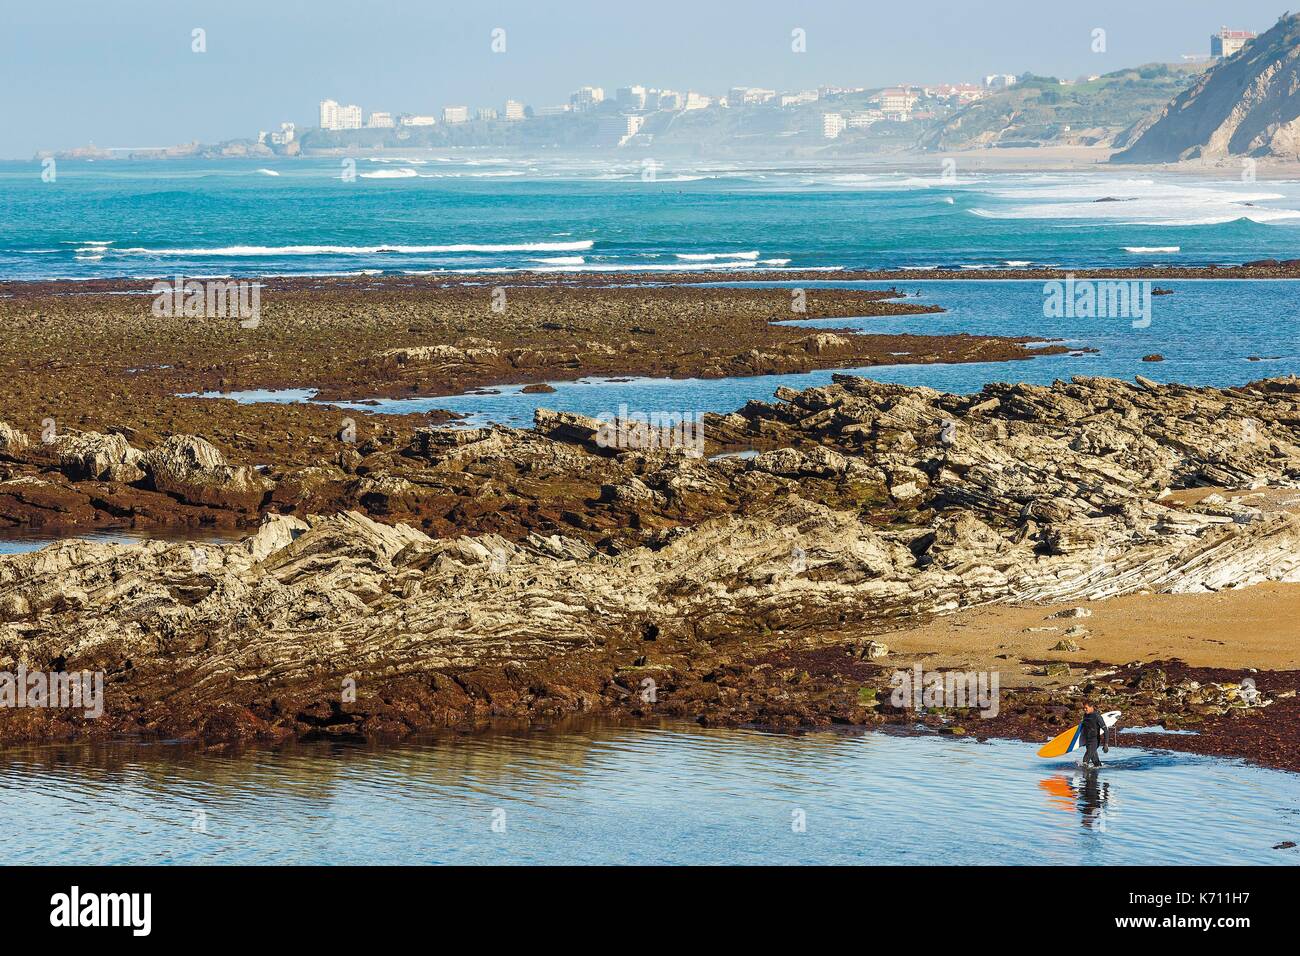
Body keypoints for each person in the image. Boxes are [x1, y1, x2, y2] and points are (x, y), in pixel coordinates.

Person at [1079, 701, 1109, 768]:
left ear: (1091, 707)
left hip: (1094, 741)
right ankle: (1097, 774)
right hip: (1087, 741)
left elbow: (1105, 730)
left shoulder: (1097, 716)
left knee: (1085, 760)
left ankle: (1085, 777)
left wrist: (1106, 744)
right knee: (1096, 762)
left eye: (1086, 708)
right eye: (1083, 708)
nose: (1084, 709)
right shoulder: (1085, 715)